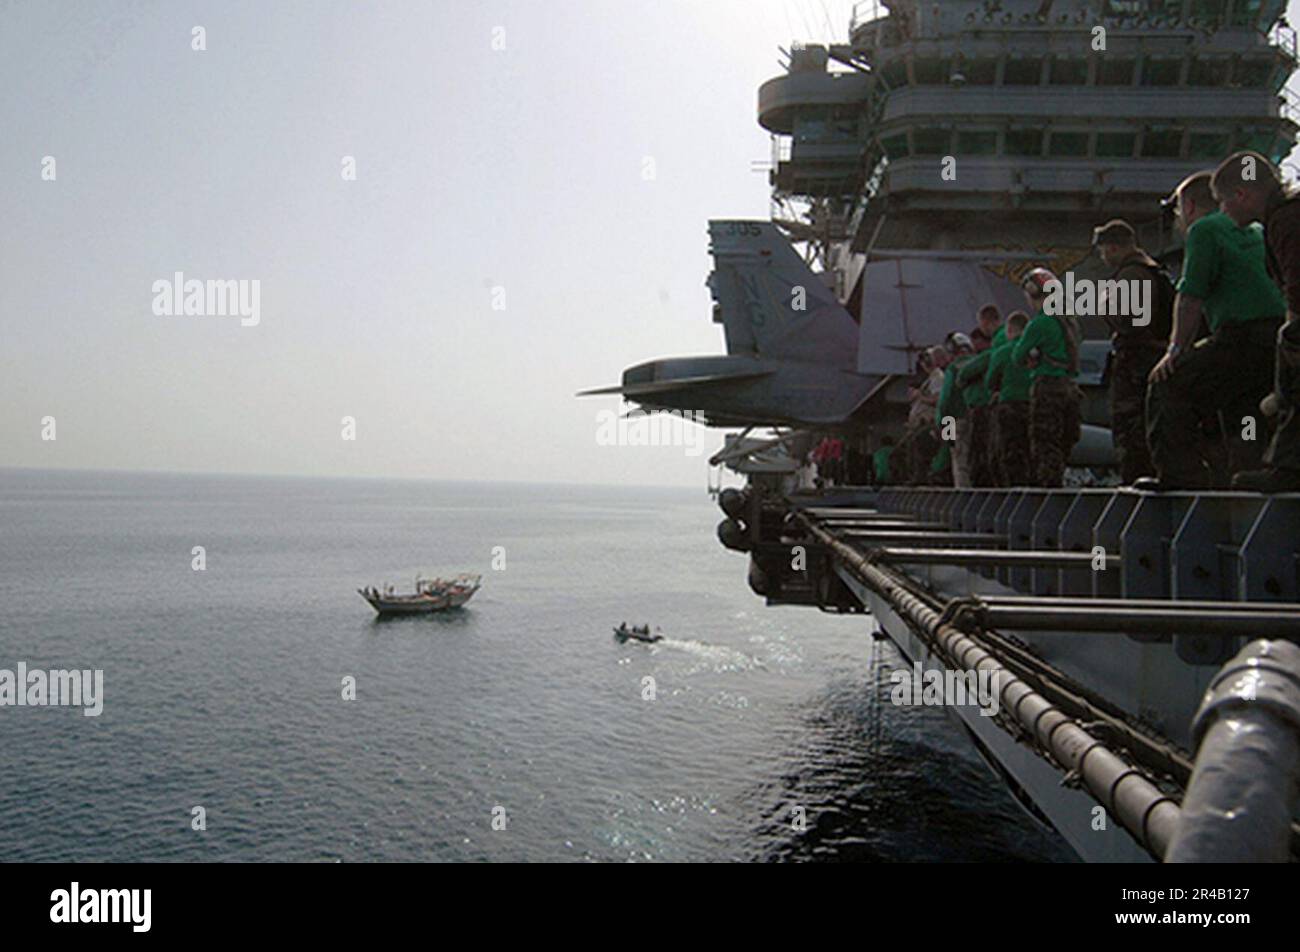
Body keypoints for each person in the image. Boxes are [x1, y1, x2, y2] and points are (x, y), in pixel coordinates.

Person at [1144, 171, 1286, 489]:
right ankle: (1243, 476)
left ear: (1191, 205)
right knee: (1245, 412)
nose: (1180, 219)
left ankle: (1181, 479)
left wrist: (1175, 351)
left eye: (1179, 211)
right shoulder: (1257, 229)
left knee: (1168, 386)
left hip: (1240, 337)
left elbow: (1191, 296)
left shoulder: (1204, 230)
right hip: (1274, 342)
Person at [1213, 151, 1300, 492]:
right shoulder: (1284, 216)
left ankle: (1288, 470)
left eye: (1223, 201)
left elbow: (1297, 287)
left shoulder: (1286, 219)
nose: (1223, 210)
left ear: (1242, 195)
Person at [1091, 219, 1174, 483]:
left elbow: (1129, 320)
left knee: (1131, 432)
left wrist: (1105, 304)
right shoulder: (1153, 270)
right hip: (1150, 357)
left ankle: (1136, 485)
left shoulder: (1132, 274)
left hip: (1137, 362)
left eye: (1103, 250)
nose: (1103, 256)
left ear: (1114, 247)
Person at [1013, 268, 1083, 487]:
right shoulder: (1069, 322)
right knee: (1063, 440)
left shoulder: (1039, 323)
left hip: (1047, 387)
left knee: (1044, 441)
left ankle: (1049, 490)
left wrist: (1033, 356)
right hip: (1070, 388)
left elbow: (1017, 356)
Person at [986, 311, 1033, 485]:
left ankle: (1014, 491)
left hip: (1009, 407)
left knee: (1009, 451)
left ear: (1010, 330)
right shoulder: (1035, 351)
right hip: (1034, 405)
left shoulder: (1002, 352)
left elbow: (990, 381)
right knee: (1032, 451)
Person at [937, 333, 977, 486]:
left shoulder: (953, 370)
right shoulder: (979, 363)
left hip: (956, 422)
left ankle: (964, 500)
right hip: (980, 420)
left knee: (960, 463)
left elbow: (945, 401)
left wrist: (943, 426)